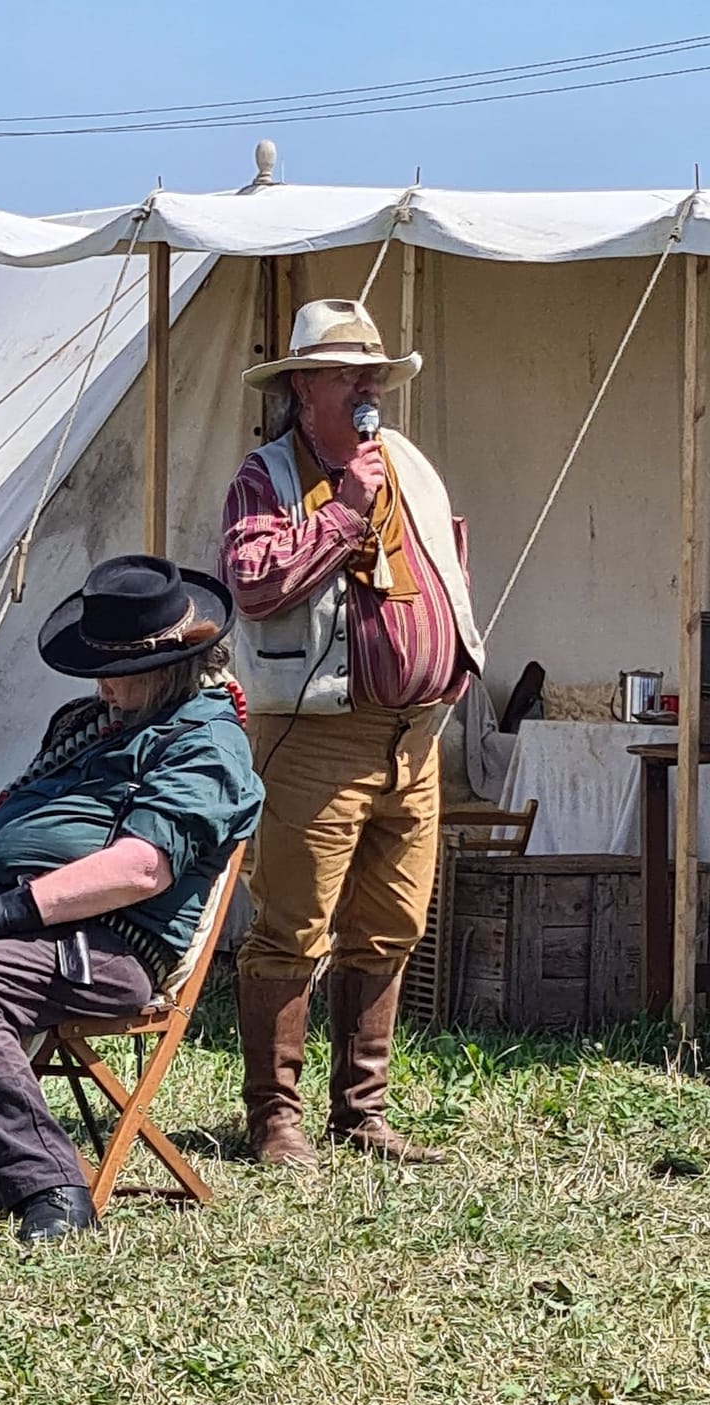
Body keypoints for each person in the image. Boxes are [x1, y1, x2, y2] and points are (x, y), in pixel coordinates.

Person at [0, 555, 263, 1240]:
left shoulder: (206, 744)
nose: (102, 683)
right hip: (26, 928)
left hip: (107, 944)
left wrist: (5, 910)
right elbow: (52, 800)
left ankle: (53, 1194)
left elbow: (140, 869)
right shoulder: (95, 723)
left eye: (117, 671)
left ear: (168, 667)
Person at [221, 298, 485, 1169]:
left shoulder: (406, 460)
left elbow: (444, 563)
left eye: (373, 370)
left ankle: (361, 1112)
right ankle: (275, 1118)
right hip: (318, 738)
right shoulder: (268, 475)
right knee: (293, 925)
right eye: (347, 372)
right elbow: (253, 584)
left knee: (393, 922)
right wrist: (344, 514)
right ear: (303, 386)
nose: (369, 385)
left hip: (413, 736)